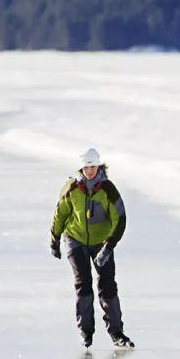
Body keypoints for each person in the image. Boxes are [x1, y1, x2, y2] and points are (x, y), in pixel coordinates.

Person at [50, 147, 133, 348]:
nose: (89, 172)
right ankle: (85, 331)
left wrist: (108, 247)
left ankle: (116, 332)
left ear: (99, 166)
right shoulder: (71, 188)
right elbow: (60, 214)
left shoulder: (108, 189)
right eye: (85, 168)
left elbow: (120, 219)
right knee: (83, 283)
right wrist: (55, 239)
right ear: (80, 169)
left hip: (101, 241)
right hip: (75, 239)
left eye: (93, 167)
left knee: (107, 285)